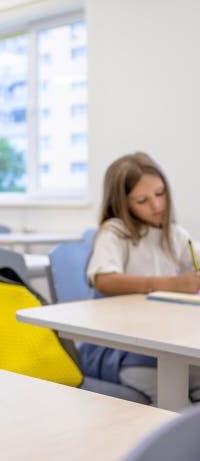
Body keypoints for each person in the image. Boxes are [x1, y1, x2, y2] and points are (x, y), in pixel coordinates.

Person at [82, 152, 200, 404]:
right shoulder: (115, 232)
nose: (157, 206)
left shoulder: (175, 234)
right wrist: (170, 284)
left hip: (166, 347)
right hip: (122, 352)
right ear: (123, 203)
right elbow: (104, 279)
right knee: (178, 406)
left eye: (160, 194)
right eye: (142, 200)